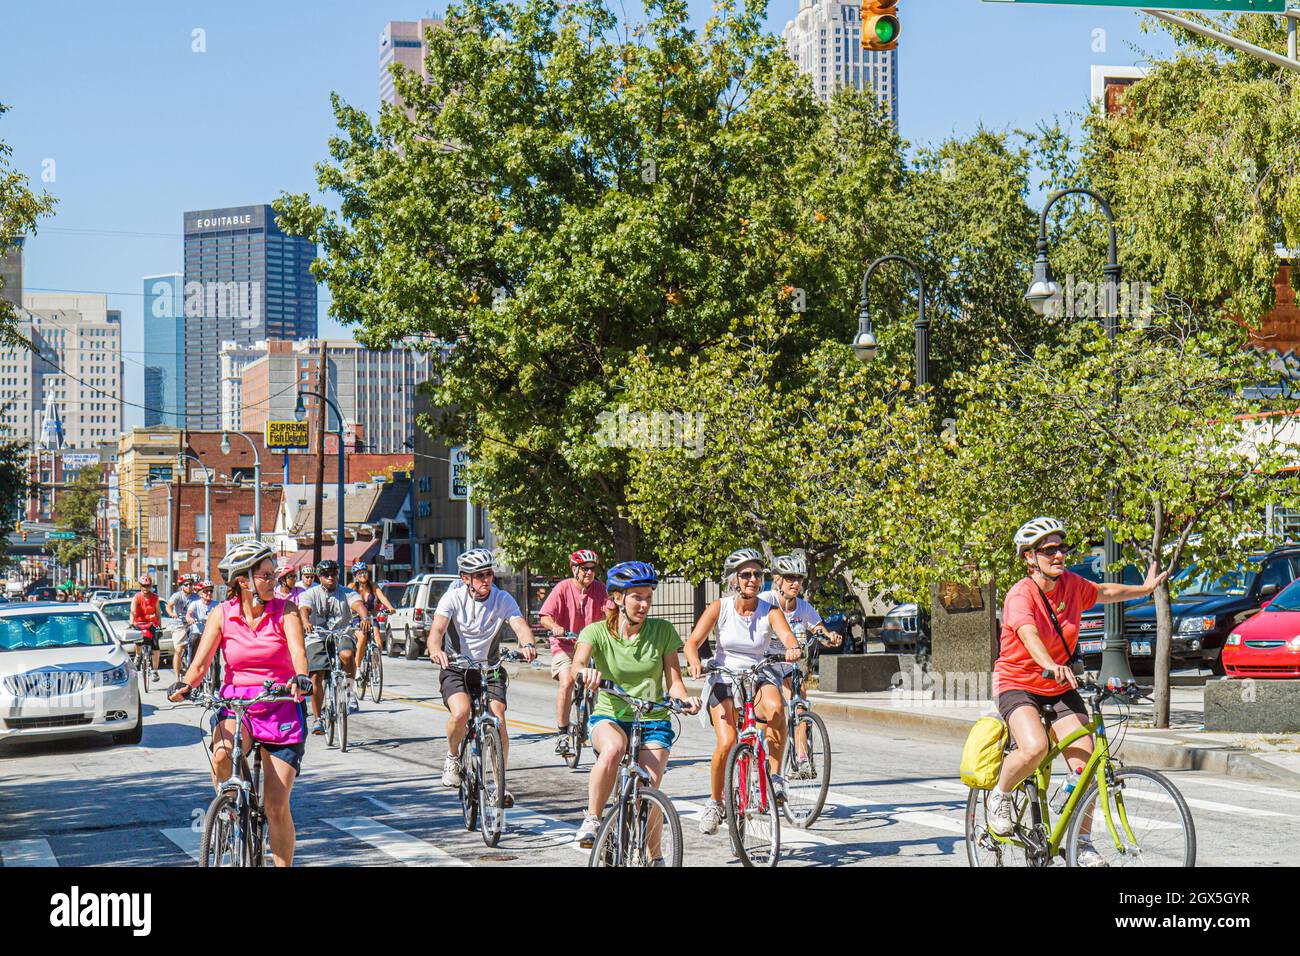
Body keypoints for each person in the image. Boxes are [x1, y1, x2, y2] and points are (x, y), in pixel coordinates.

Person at [986, 517, 1168, 865]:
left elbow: (1104, 592)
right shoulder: (1020, 595)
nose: (1059, 555)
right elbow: (1029, 634)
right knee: (1035, 746)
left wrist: (1144, 590)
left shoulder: (1071, 585)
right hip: (1018, 683)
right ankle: (1001, 794)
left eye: (1062, 548)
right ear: (1029, 557)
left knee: (1086, 763)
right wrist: (1050, 663)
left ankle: (1081, 843)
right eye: (1049, 550)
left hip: (1058, 686)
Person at [168, 540, 312, 867]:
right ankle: (230, 808)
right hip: (238, 707)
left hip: (280, 706)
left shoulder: (286, 610)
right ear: (244, 581)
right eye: (265, 576)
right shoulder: (222, 614)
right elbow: (201, 663)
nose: (273, 580)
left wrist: (300, 677)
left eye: (273, 574)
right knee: (220, 756)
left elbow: (298, 653)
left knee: (276, 807)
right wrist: (185, 684)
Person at [571, 561, 699, 851]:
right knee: (614, 749)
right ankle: (592, 818)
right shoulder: (596, 632)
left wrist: (684, 699)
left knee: (649, 791)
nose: (644, 604)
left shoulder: (663, 631)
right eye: (637, 597)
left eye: (648, 598)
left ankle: (654, 857)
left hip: (653, 718)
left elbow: (674, 681)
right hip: (611, 715)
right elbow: (577, 664)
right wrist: (585, 673)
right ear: (618, 598)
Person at [684, 547, 800, 835]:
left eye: (757, 575)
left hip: (758, 675)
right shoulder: (719, 607)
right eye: (745, 574)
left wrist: (793, 648)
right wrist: (695, 662)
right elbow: (692, 643)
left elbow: (786, 635)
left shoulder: (769, 610)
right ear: (733, 579)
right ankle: (715, 802)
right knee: (727, 742)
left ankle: (775, 777)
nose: (752, 579)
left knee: (775, 710)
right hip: (724, 677)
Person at [428, 548, 538, 804]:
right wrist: (435, 650)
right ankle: (453, 757)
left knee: (498, 718)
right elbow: (438, 629)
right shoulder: (452, 598)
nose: (486, 580)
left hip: (489, 668)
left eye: (489, 574)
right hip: (456, 667)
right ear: (465, 578)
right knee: (460, 713)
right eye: (479, 575)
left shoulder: (502, 598)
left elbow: (520, 625)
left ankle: (500, 785)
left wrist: (528, 644)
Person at [758, 553, 841, 778]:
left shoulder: (803, 607)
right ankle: (760, 755)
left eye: (799, 579)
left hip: (788, 666)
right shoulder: (765, 600)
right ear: (777, 580)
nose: (796, 583)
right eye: (790, 578)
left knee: (800, 704)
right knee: (769, 714)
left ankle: (802, 760)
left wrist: (830, 637)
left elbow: (818, 629)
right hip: (764, 665)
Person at [538, 549, 610, 756]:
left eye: (592, 569)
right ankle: (562, 733)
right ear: (574, 568)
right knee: (567, 682)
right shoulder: (562, 588)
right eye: (584, 569)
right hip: (565, 646)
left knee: (605, 684)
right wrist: (555, 627)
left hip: (591, 647)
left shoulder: (600, 589)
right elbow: (545, 616)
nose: (589, 572)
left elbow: (610, 611)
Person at [297, 559, 368, 733]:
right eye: (326, 575)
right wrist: (305, 621)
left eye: (333, 574)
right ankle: (318, 719)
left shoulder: (346, 592)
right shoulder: (310, 593)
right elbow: (304, 609)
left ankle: (350, 692)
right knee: (316, 676)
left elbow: (358, 605)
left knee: (347, 655)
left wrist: (365, 617)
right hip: (317, 636)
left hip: (342, 632)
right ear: (319, 577)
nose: (330, 577)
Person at [351, 561, 394, 661]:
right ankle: (357, 669)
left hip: (371, 617)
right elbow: (346, 600)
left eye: (365, 572)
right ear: (356, 576)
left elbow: (382, 597)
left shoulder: (373, 585)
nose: (363, 575)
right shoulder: (352, 587)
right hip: (356, 618)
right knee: (362, 638)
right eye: (360, 573)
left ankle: (375, 668)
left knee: (378, 643)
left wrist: (390, 607)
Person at [180, 580, 220, 679]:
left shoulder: (217, 604)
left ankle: (215, 686)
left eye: (211, 590)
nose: (209, 593)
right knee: (193, 639)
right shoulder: (195, 604)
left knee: (216, 659)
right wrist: (189, 618)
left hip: (211, 634)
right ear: (200, 593)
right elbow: (189, 613)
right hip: (198, 632)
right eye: (206, 591)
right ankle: (190, 671)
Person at [129, 574, 163, 677]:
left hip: (151, 624)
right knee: (138, 640)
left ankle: (155, 671)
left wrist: (159, 626)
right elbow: (133, 612)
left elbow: (158, 613)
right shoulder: (136, 598)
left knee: (155, 645)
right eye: (143, 586)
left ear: (151, 586)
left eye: (148, 586)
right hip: (139, 623)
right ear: (140, 586)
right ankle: (138, 655)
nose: (146, 588)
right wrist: (132, 623)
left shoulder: (155, 598)